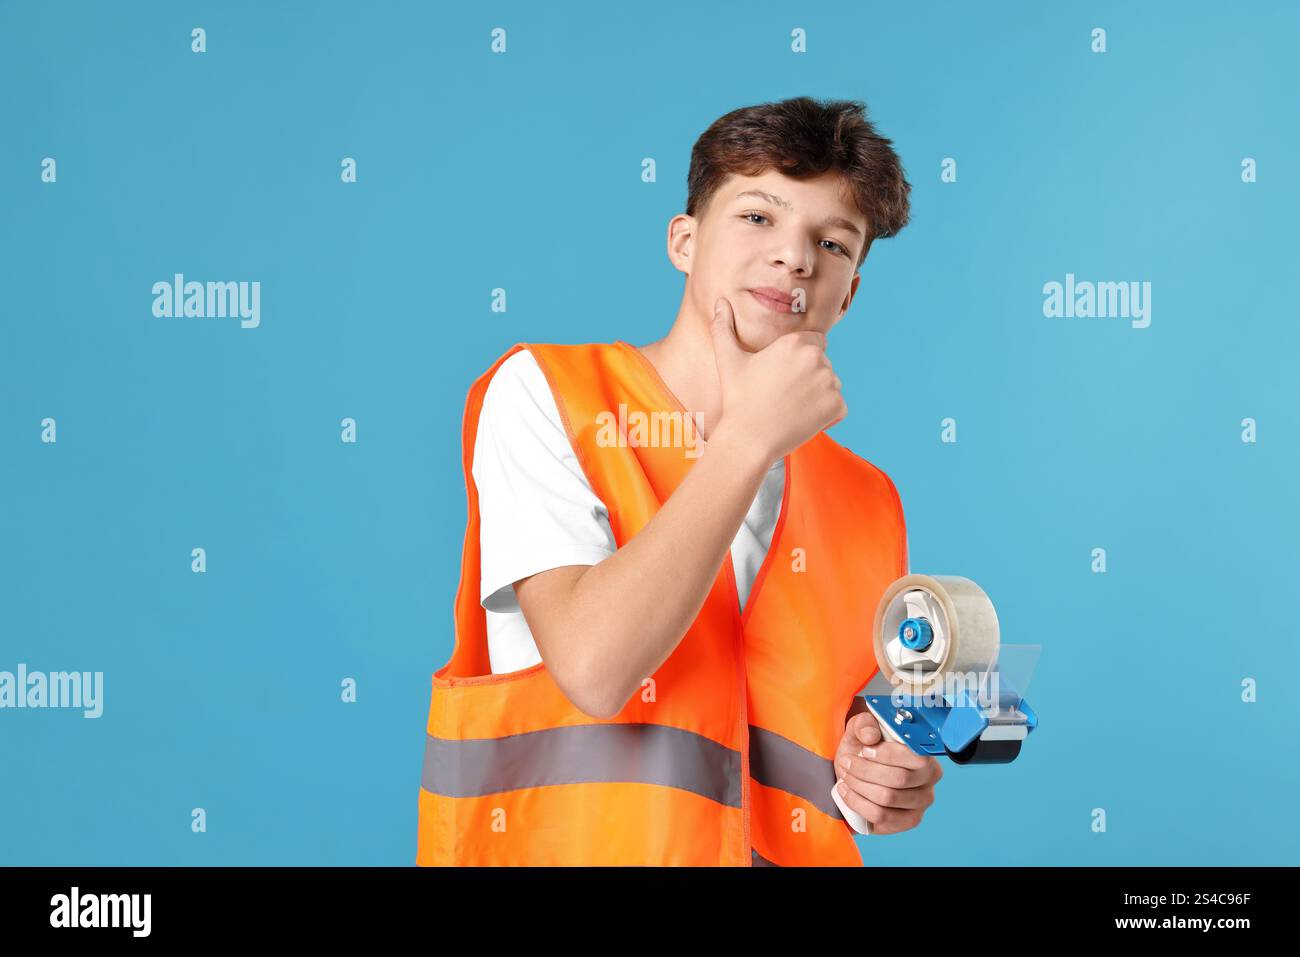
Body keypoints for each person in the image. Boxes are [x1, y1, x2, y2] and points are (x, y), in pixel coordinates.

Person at [417, 96, 942, 866]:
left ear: (849, 289)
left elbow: (840, 750)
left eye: (831, 242)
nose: (794, 257)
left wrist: (889, 778)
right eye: (758, 217)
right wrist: (750, 437)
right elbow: (597, 667)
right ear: (684, 241)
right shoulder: (550, 395)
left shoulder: (867, 499)